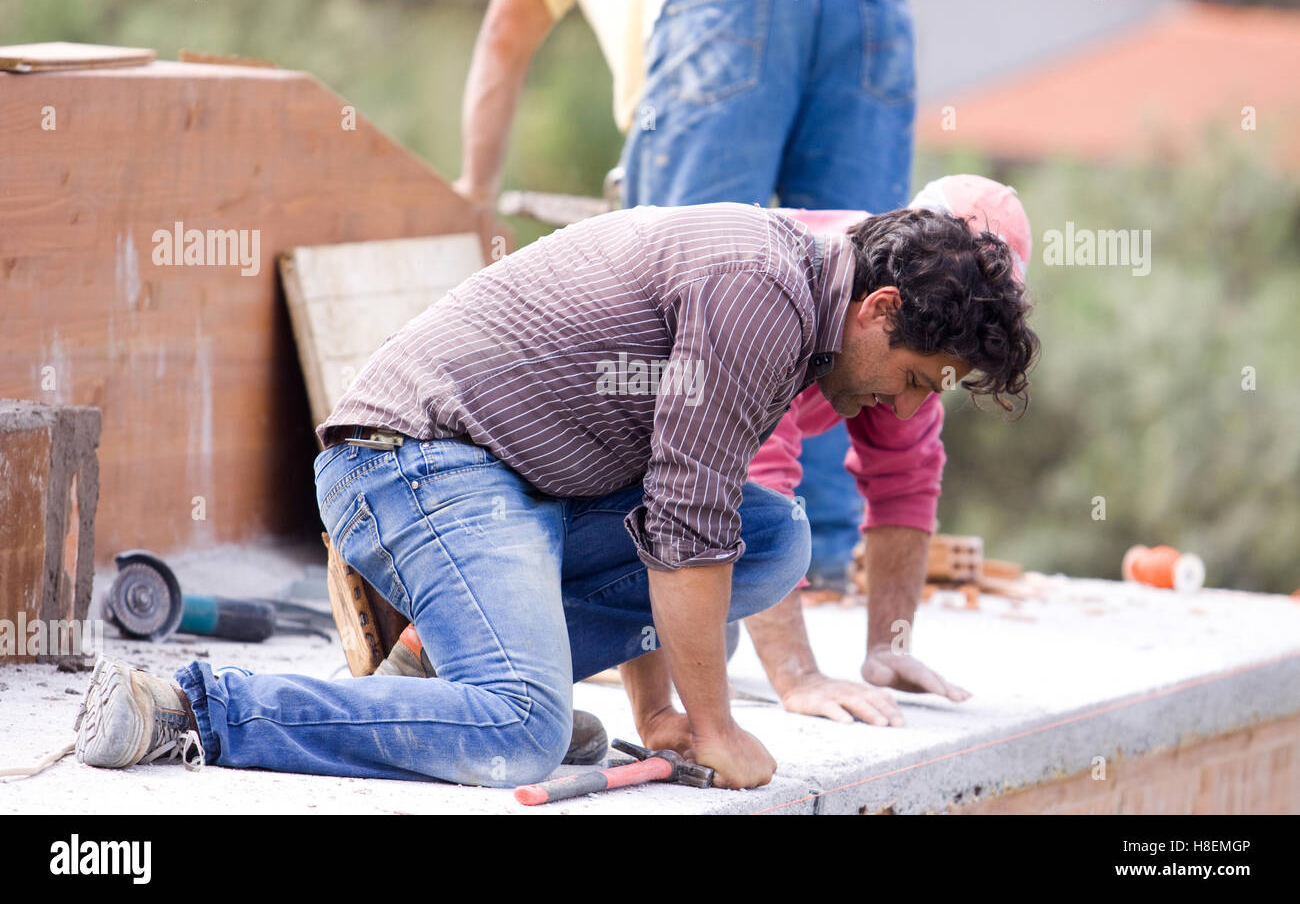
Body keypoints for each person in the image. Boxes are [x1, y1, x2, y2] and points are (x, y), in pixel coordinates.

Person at [74, 201, 1037, 790]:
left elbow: (665, 509)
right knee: (522, 732)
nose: (905, 403)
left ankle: (434, 654)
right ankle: (190, 708)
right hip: (412, 460)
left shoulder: (799, 313)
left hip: (521, 482)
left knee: (773, 539)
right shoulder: (762, 291)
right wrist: (716, 728)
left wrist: (662, 715)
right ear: (879, 310)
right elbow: (684, 538)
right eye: (918, 374)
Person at [456, 0, 917, 629]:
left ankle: (711, 606)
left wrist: (475, 190)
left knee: (698, 306)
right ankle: (814, 573)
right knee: (863, 297)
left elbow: (505, 31)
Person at [740, 175, 1034, 727]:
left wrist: (889, 645)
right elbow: (751, 482)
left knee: (716, 610)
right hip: (594, 462)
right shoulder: (785, 294)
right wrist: (797, 676)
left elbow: (906, 477)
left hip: (676, 483)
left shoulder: (918, 329)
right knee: (687, 616)